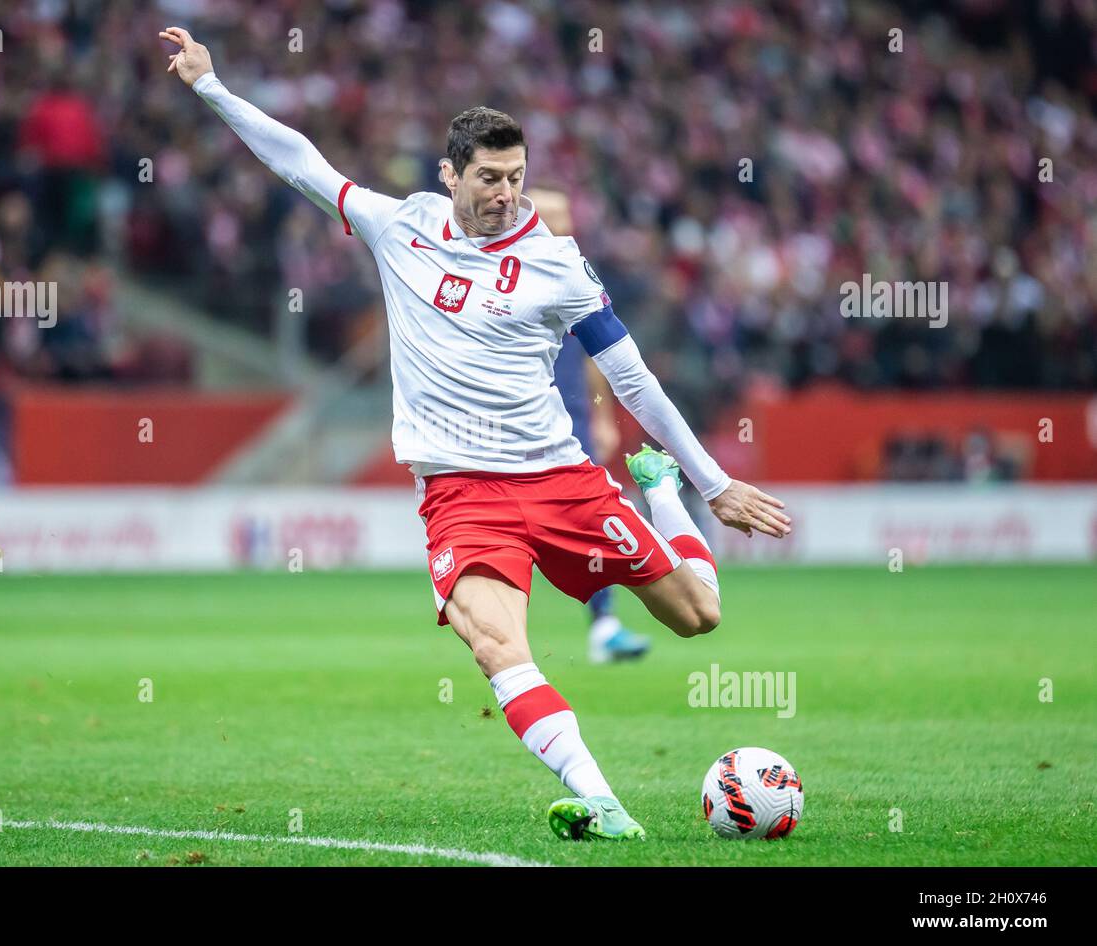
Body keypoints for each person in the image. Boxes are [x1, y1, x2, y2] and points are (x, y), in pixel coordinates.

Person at [162, 27, 791, 842]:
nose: (505, 193)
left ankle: (659, 493)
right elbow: (301, 162)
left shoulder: (558, 262)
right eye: (489, 177)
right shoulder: (401, 227)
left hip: (560, 479)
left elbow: (632, 374)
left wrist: (711, 484)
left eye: (516, 178)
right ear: (449, 173)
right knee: (496, 645)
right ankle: (604, 805)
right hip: (460, 492)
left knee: (698, 616)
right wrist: (212, 87)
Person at [528, 186, 650, 665]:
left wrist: (601, 416)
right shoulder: (504, 275)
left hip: (572, 418)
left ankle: (605, 623)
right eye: (551, 214)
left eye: (565, 214)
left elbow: (596, 355)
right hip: (519, 421)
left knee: (592, 519)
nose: (562, 224)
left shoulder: (576, 276)